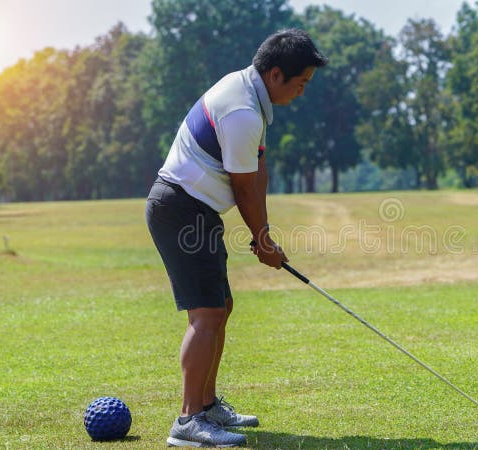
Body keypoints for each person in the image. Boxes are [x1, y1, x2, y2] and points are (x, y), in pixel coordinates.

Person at [145, 29, 328, 448]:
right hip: (180, 208)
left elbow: (256, 172)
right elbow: (243, 187)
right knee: (206, 314)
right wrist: (262, 242)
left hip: (196, 209)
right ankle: (189, 421)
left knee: (220, 306)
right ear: (276, 74)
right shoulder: (242, 111)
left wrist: (264, 236)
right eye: (300, 84)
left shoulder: (251, 98)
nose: (301, 93)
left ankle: (207, 406)